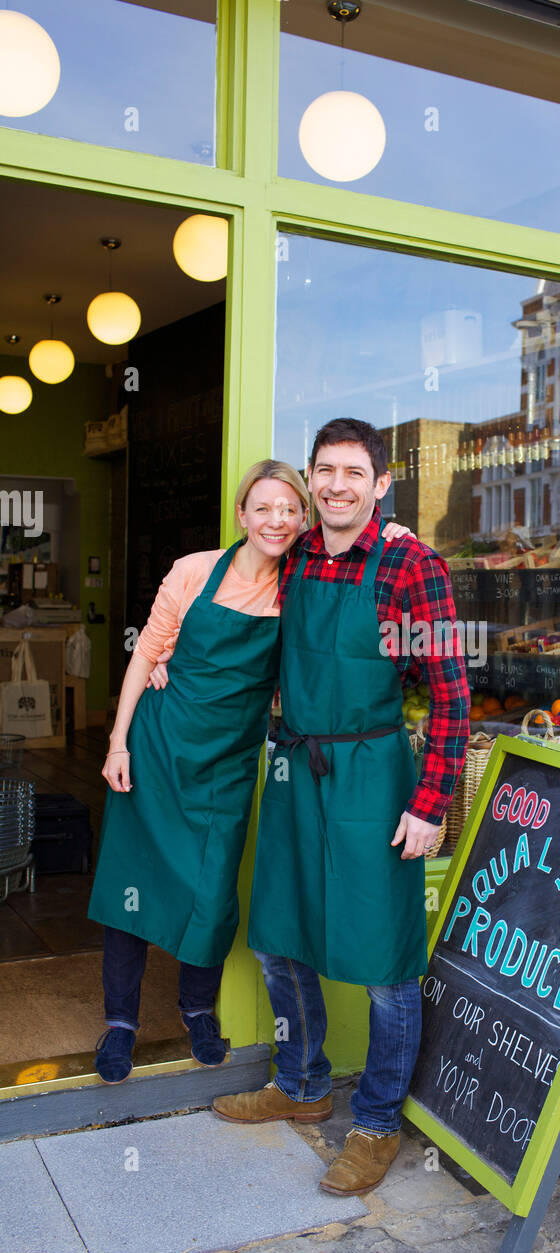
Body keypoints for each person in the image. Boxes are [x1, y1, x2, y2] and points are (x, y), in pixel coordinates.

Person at [87, 457, 412, 1085]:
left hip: (228, 766)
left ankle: (196, 1010)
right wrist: (118, 742)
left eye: (290, 509)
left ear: (304, 518)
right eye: (262, 508)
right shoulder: (193, 572)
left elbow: (364, 550)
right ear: (241, 514)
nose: (277, 520)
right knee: (131, 891)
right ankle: (120, 1024)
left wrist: (397, 532)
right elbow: (148, 651)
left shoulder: (301, 580)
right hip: (156, 750)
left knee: (211, 895)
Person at [212, 418, 471, 1197]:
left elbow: (453, 697)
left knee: (385, 961)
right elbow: (221, 607)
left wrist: (430, 806)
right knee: (278, 938)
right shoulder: (293, 561)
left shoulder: (410, 566)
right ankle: (302, 1083)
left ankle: (378, 1122)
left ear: (382, 484)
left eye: (353, 473)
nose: (334, 486)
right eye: (323, 471)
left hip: (372, 775)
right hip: (295, 765)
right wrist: (166, 672)